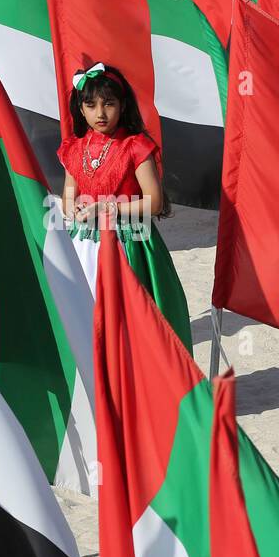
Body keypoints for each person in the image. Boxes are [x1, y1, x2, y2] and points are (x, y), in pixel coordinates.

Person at [58, 63, 191, 347]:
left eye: (109, 104)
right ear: (81, 109)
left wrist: (106, 208)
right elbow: (69, 194)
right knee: (86, 318)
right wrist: (72, 208)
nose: (100, 113)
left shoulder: (135, 146)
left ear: (122, 105)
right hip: (84, 244)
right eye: (91, 105)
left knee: (130, 326)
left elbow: (154, 202)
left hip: (130, 244)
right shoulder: (73, 148)